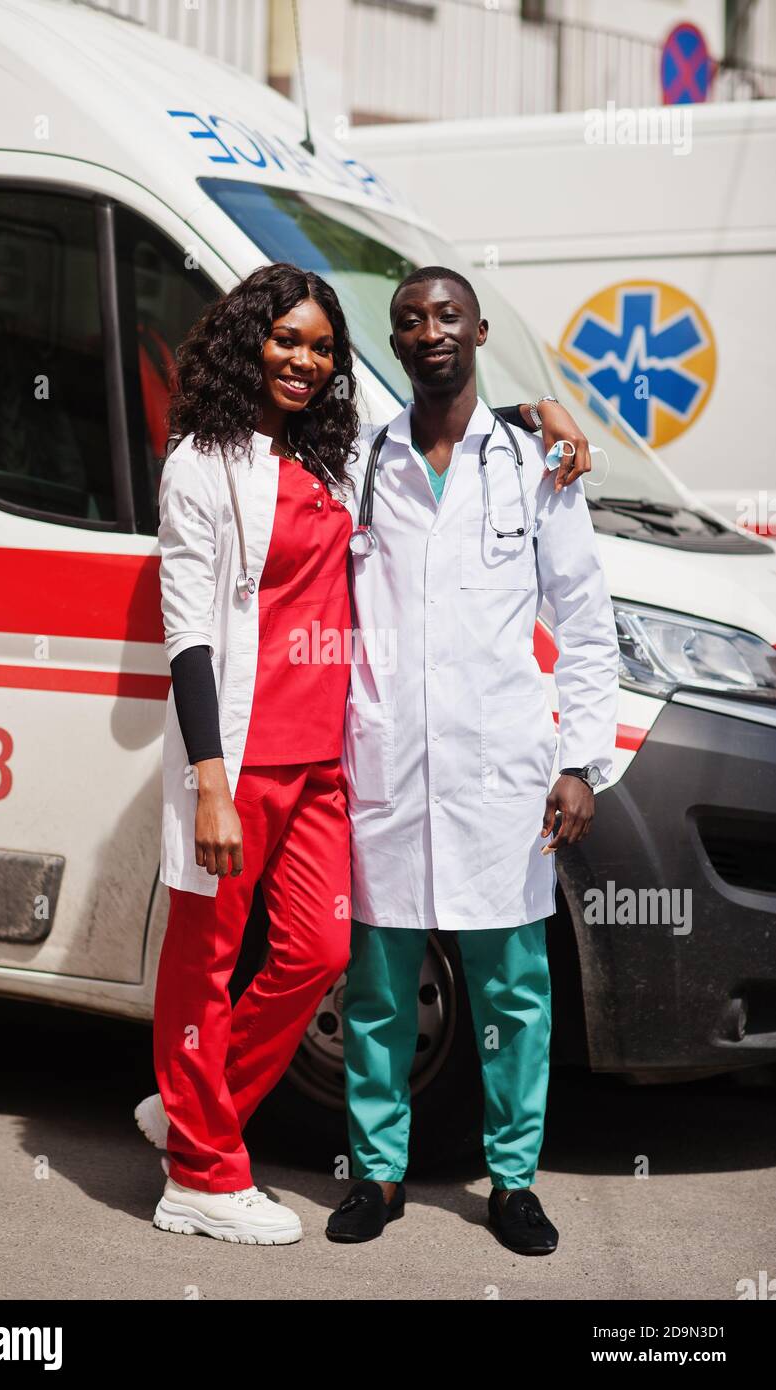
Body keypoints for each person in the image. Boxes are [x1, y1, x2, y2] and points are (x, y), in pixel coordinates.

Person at [138, 260, 596, 1245]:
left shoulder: (450, 458)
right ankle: (274, 1171)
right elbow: (192, 621)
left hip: (407, 767)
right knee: (297, 973)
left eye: (319, 346)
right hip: (301, 760)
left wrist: (541, 406)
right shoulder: (284, 459)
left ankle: (505, 1179)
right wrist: (209, 779)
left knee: (417, 970)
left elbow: (580, 607)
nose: (302, 360)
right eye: (285, 340)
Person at [325, 267, 620, 1254]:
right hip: (386, 773)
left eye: (447, 314)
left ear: (479, 329)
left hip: (500, 774)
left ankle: (512, 1180)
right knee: (376, 988)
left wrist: (580, 758)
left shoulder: (536, 464)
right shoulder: (361, 461)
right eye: (410, 320)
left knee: (512, 990)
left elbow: (584, 622)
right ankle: (375, 1174)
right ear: (395, 344)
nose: (430, 331)